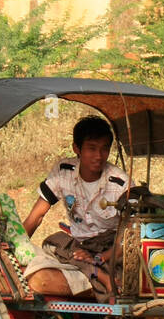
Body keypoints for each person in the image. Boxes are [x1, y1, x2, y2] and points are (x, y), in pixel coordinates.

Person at [22, 115, 129, 300]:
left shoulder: (120, 183)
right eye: (92, 148)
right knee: (53, 241)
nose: (99, 156)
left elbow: (130, 236)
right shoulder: (63, 171)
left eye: (104, 149)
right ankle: (96, 271)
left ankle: (101, 274)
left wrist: (100, 257)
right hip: (79, 247)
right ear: (76, 148)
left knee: (73, 254)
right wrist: (16, 247)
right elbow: (37, 215)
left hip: (111, 249)